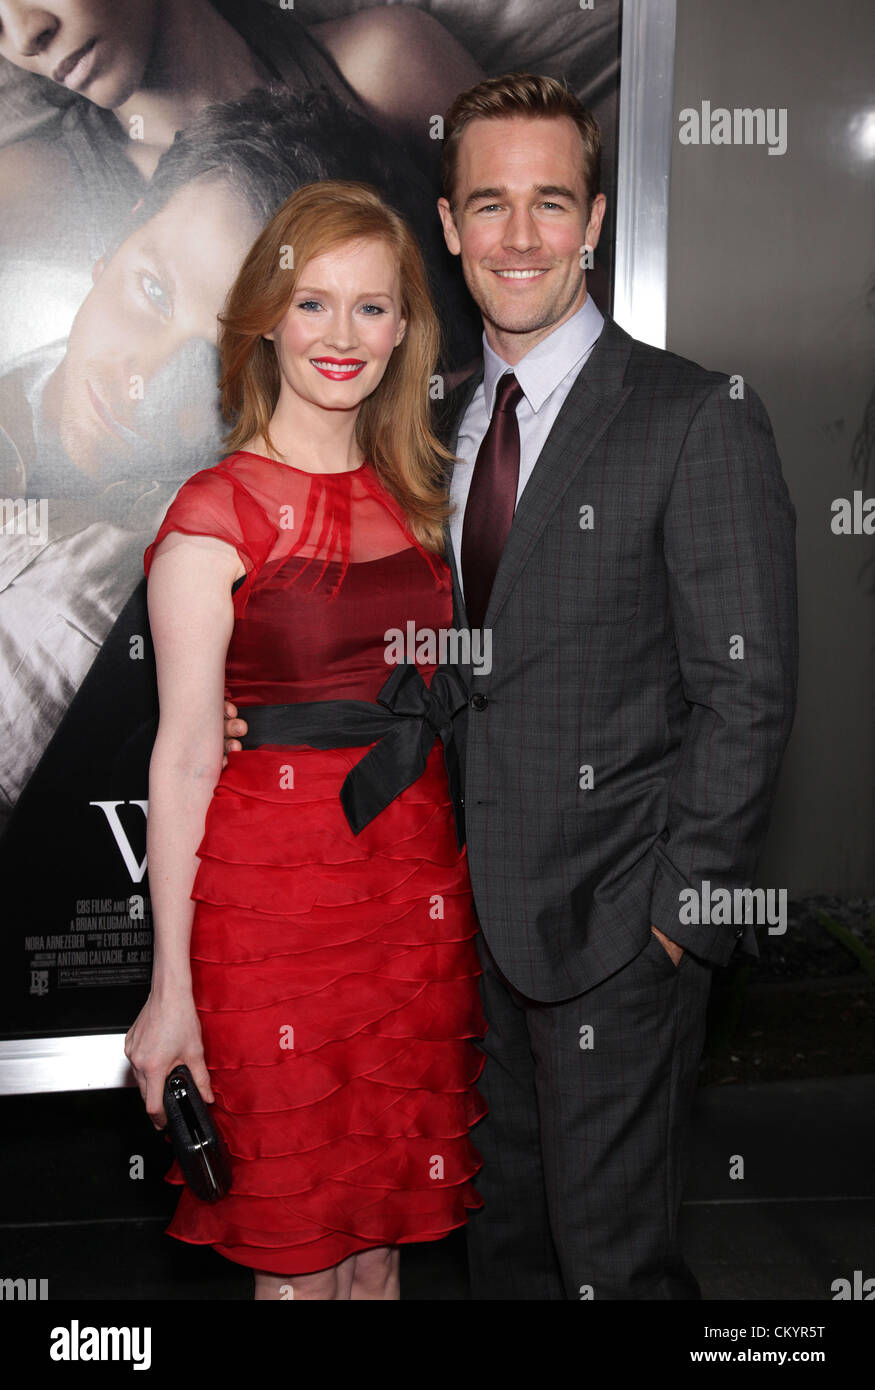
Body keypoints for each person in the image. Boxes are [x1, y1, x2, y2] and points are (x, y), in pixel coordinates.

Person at [226, 72, 800, 1300]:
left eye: (552, 203)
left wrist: (672, 923)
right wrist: (266, 709)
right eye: (490, 204)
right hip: (440, 923)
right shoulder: (424, 424)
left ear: (594, 222)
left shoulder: (692, 417)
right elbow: (395, 637)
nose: (521, 236)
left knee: (611, 1264)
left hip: (611, 931)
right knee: (502, 1260)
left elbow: (744, 694)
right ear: (446, 225)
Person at [124, 179, 487, 1300]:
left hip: (412, 907)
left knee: (378, 1250)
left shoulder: (426, 499)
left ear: (404, 328)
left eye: (371, 308)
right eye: (314, 303)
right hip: (274, 916)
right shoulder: (213, 513)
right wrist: (168, 992)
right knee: (296, 1262)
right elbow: (185, 757)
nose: (342, 335)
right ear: (267, 319)